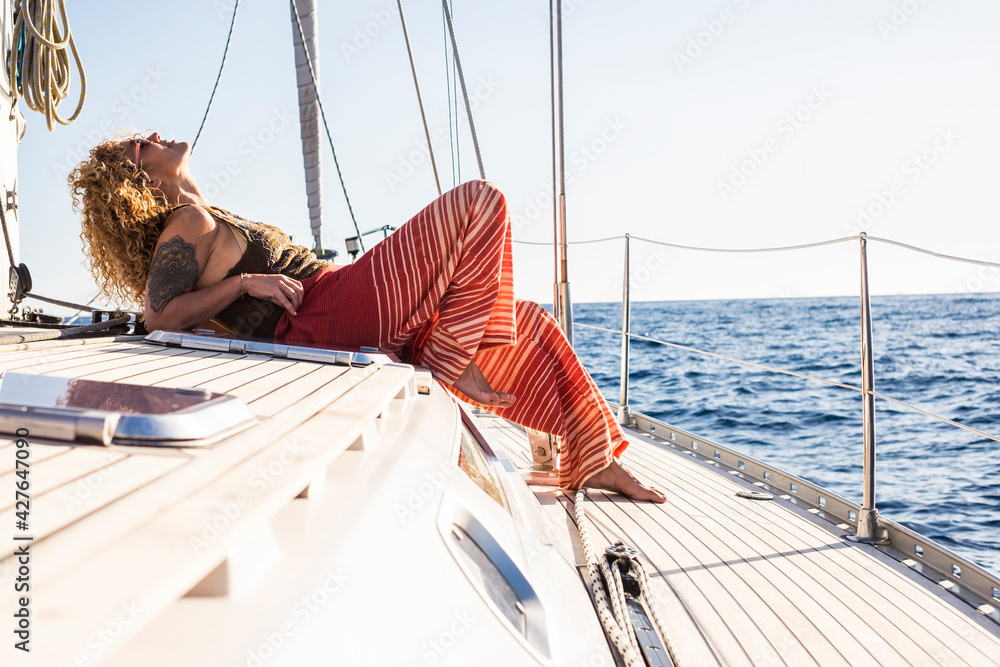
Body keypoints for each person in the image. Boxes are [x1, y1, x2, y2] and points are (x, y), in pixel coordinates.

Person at [69, 132, 665, 503]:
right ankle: (446, 361)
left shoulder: (206, 213)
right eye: (139, 146)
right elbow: (158, 318)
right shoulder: (188, 224)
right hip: (323, 314)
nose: (151, 136)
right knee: (481, 202)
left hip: (338, 299)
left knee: (529, 321)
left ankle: (596, 461)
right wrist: (245, 283)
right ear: (137, 180)